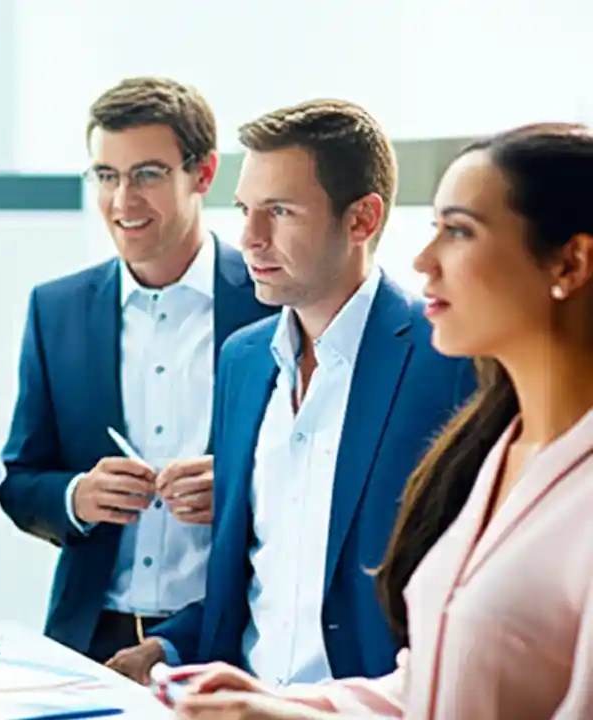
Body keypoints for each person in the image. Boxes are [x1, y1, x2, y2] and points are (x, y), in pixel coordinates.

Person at [166, 123, 593, 720]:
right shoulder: (509, 447)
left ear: (570, 263)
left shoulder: (455, 380)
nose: (423, 259)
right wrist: (282, 707)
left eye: (459, 231)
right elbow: (433, 681)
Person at [105, 99, 474, 685]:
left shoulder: (450, 361)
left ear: (362, 220)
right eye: (245, 210)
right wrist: (167, 648)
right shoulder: (244, 360)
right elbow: (258, 575)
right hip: (239, 703)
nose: (250, 238)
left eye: (279, 212)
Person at [0, 76, 275, 662]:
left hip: (228, 639)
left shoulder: (269, 306)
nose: (123, 201)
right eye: (107, 176)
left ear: (203, 174)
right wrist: (77, 496)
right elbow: (19, 480)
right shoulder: (56, 310)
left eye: (147, 174)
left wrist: (236, 492)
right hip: (88, 638)